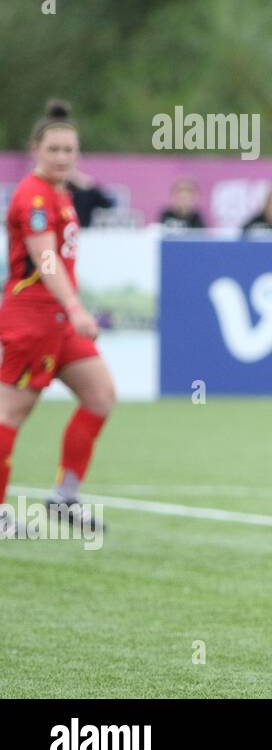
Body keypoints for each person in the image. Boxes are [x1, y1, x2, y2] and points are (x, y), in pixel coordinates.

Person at [0, 101, 116, 539]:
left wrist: (68, 312)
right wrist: (75, 307)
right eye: (55, 149)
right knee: (11, 412)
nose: (64, 157)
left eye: (70, 149)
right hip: (32, 318)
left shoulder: (59, 191)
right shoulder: (33, 194)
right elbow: (45, 258)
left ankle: (65, 498)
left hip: (57, 321)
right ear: (35, 150)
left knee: (100, 395)